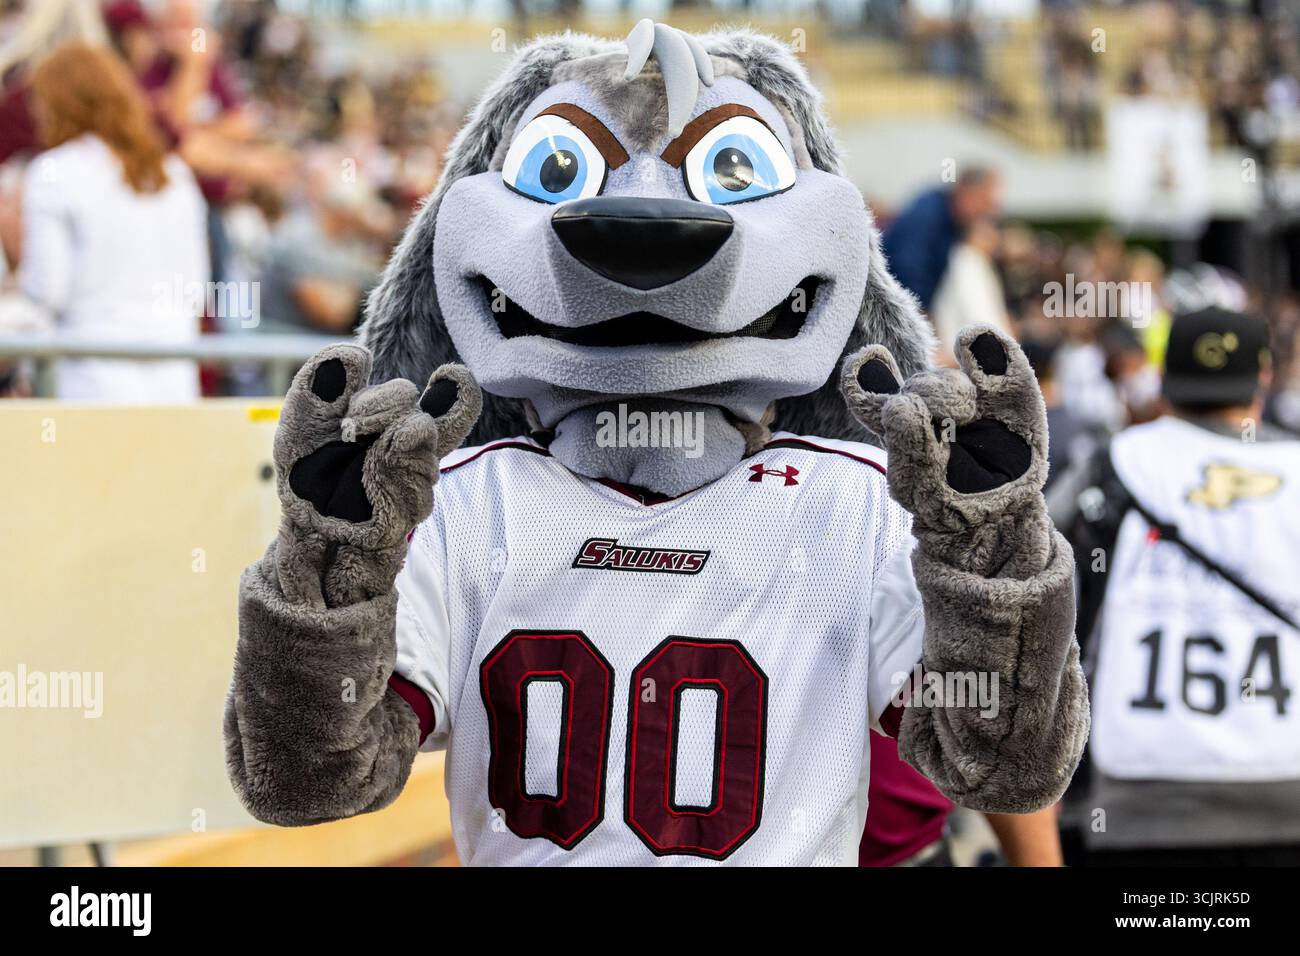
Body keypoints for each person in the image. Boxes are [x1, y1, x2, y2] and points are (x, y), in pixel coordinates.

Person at [1053, 307, 1300, 865]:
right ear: (1262, 377)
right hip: (1285, 781)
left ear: (1164, 381)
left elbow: (1032, 576)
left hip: (1135, 793)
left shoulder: (1114, 464)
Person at [20, 42, 208, 402]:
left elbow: (47, 291)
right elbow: (195, 290)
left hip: (89, 383)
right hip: (175, 382)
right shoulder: (175, 174)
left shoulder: (52, 172)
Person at [881, 165, 1002, 314]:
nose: (988, 211)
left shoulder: (948, 220)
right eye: (986, 202)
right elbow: (906, 268)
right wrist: (920, 316)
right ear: (968, 191)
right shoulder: (928, 214)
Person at [929, 216, 1013, 366]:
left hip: (965, 356)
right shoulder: (969, 263)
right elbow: (979, 317)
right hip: (971, 360)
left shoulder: (964, 260)